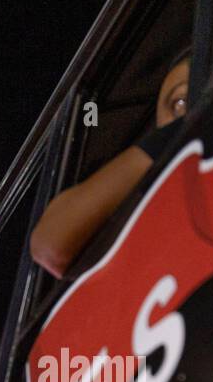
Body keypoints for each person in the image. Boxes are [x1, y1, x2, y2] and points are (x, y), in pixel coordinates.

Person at [29, 50, 190, 278]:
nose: (189, 111)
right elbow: (50, 244)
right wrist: (169, 136)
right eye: (180, 103)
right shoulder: (136, 199)